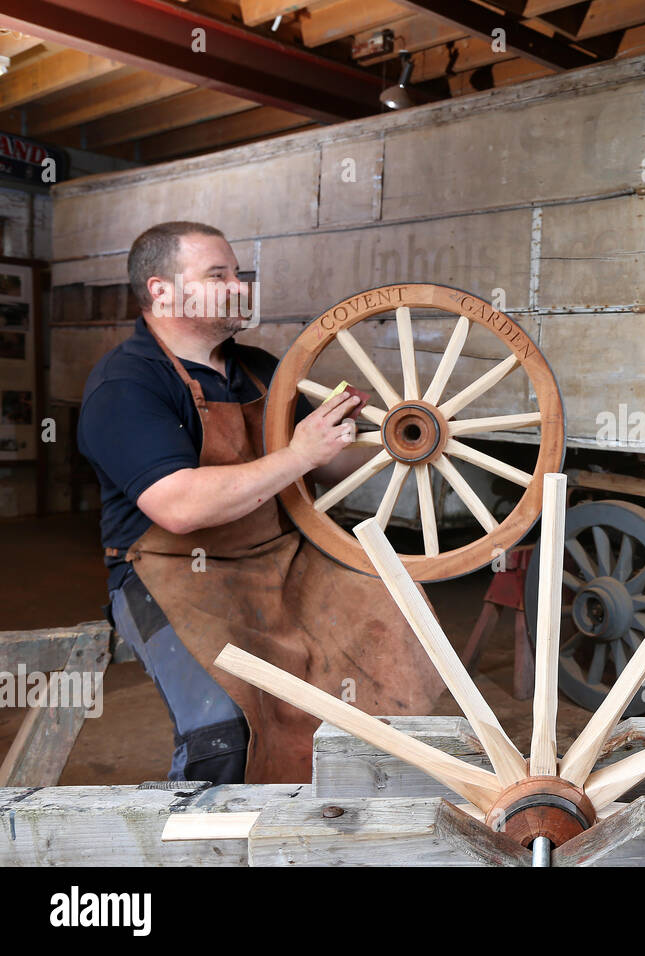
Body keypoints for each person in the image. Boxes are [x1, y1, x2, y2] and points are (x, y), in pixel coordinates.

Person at [78, 221, 440, 784]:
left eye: (238, 274)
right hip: (169, 573)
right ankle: (208, 846)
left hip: (286, 558)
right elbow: (180, 506)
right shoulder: (126, 386)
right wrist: (297, 454)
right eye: (217, 275)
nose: (239, 286)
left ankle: (333, 827)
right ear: (161, 291)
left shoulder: (260, 369)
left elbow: (326, 459)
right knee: (223, 729)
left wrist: (396, 441)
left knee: (391, 648)